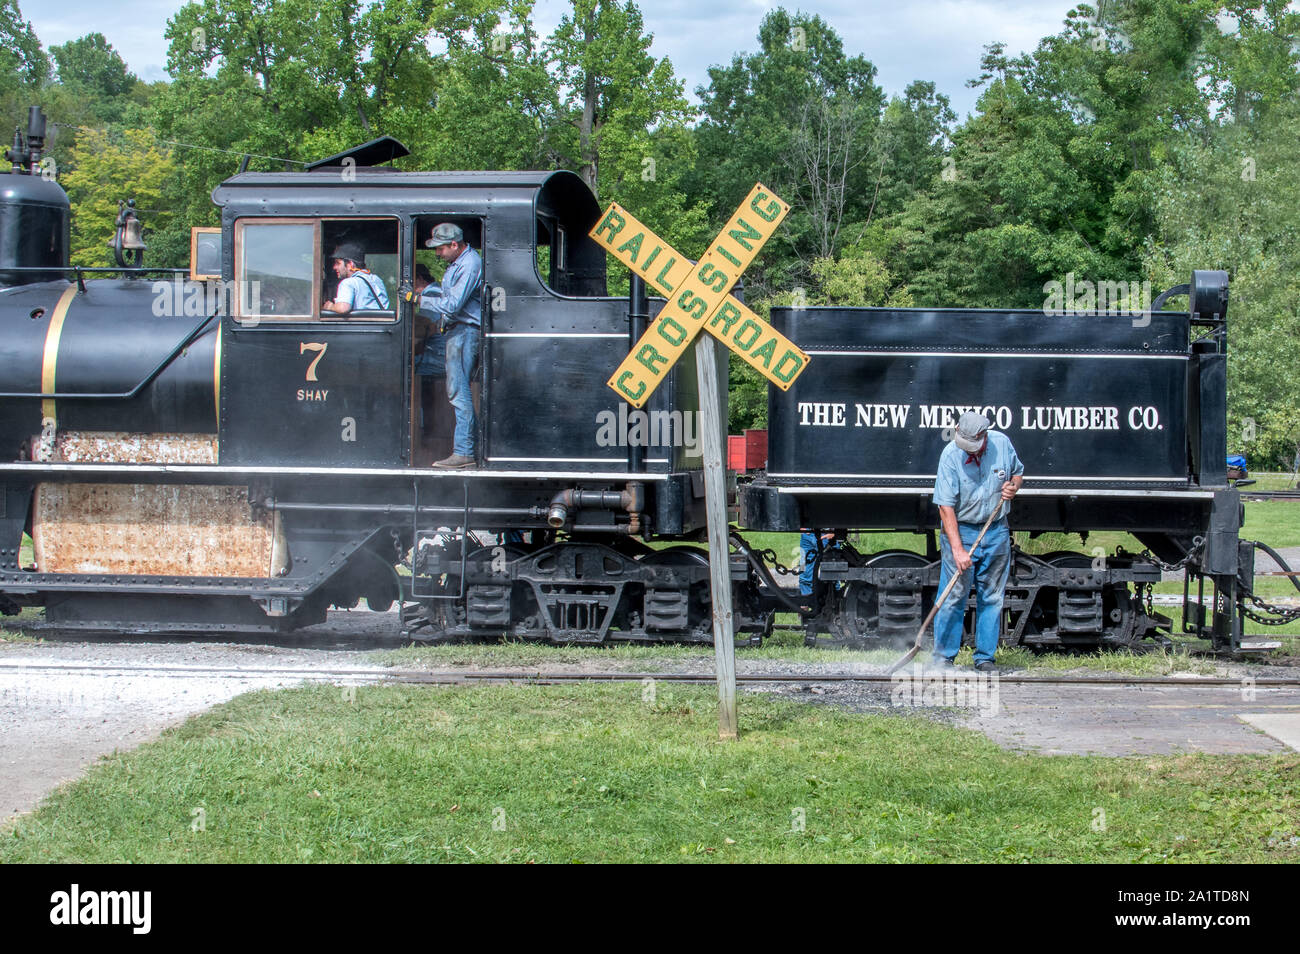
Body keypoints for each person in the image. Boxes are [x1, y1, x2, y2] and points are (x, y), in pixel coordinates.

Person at [931, 411, 1024, 672]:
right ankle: (943, 658)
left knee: (992, 596)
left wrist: (1013, 486)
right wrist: (958, 550)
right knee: (952, 595)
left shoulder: (1002, 444)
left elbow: (1017, 473)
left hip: (995, 531)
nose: (967, 451)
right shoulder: (950, 455)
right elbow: (945, 508)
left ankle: (984, 658)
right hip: (961, 531)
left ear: (983, 436)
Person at [421, 223, 482, 469]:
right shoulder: (459, 263)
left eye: (441, 249)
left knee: (459, 392)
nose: (437, 254)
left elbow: (452, 305)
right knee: (458, 391)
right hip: (458, 331)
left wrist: (417, 298)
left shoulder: (469, 264)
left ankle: (464, 451)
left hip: (465, 331)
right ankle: (466, 449)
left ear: (454, 245)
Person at [412, 264, 451, 460]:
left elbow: (422, 331)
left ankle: (419, 433)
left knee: (406, 369)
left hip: (436, 359)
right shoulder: (436, 292)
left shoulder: (432, 295)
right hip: (438, 355)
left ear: (418, 279)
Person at [323, 243, 389, 315]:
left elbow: (343, 308)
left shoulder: (348, 283)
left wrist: (330, 306)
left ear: (350, 264)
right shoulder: (376, 279)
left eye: (338, 263)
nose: (334, 267)